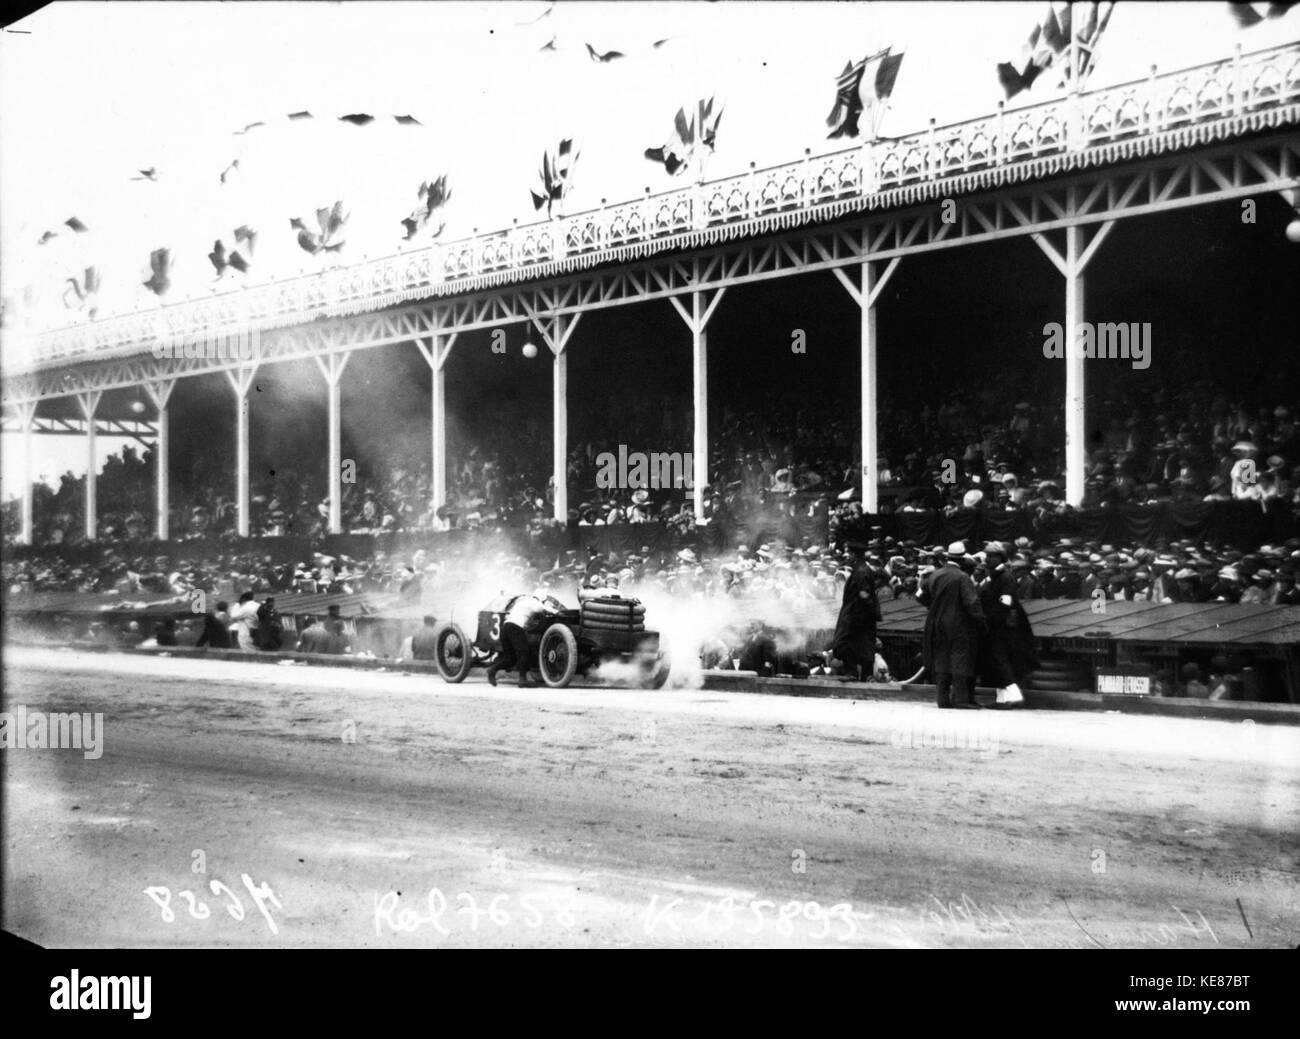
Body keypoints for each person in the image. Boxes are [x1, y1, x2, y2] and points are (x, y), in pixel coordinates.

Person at [918, 542, 987, 710]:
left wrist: (934, 606)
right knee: (960, 660)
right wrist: (981, 622)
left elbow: (920, 595)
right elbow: (971, 603)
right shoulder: (962, 577)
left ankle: (942, 699)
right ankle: (961, 699)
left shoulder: (935, 575)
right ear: (962, 559)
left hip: (937, 623)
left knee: (941, 659)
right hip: (959, 625)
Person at [976, 542, 1035, 709]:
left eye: (991, 556)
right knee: (995, 660)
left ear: (999, 558)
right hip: (995, 625)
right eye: (986, 556)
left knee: (999, 659)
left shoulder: (1004, 577)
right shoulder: (994, 576)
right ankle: (1002, 698)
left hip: (1001, 627)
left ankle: (1014, 695)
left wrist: (991, 622)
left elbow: (1005, 603)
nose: (987, 559)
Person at [830, 541, 881, 681]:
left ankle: (854, 673)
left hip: (857, 616)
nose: (848, 557)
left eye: (849, 554)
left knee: (845, 643)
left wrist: (859, 616)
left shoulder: (861, 572)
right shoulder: (861, 570)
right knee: (861, 646)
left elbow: (864, 594)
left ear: (853, 555)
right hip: (859, 615)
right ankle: (864, 675)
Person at [487, 590, 559, 688]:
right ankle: (522, 681)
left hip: (505, 628)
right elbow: (544, 609)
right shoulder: (535, 603)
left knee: (510, 659)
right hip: (515, 628)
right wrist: (557, 611)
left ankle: (492, 669)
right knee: (524, 652)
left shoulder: (522, 602)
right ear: (541, 598)